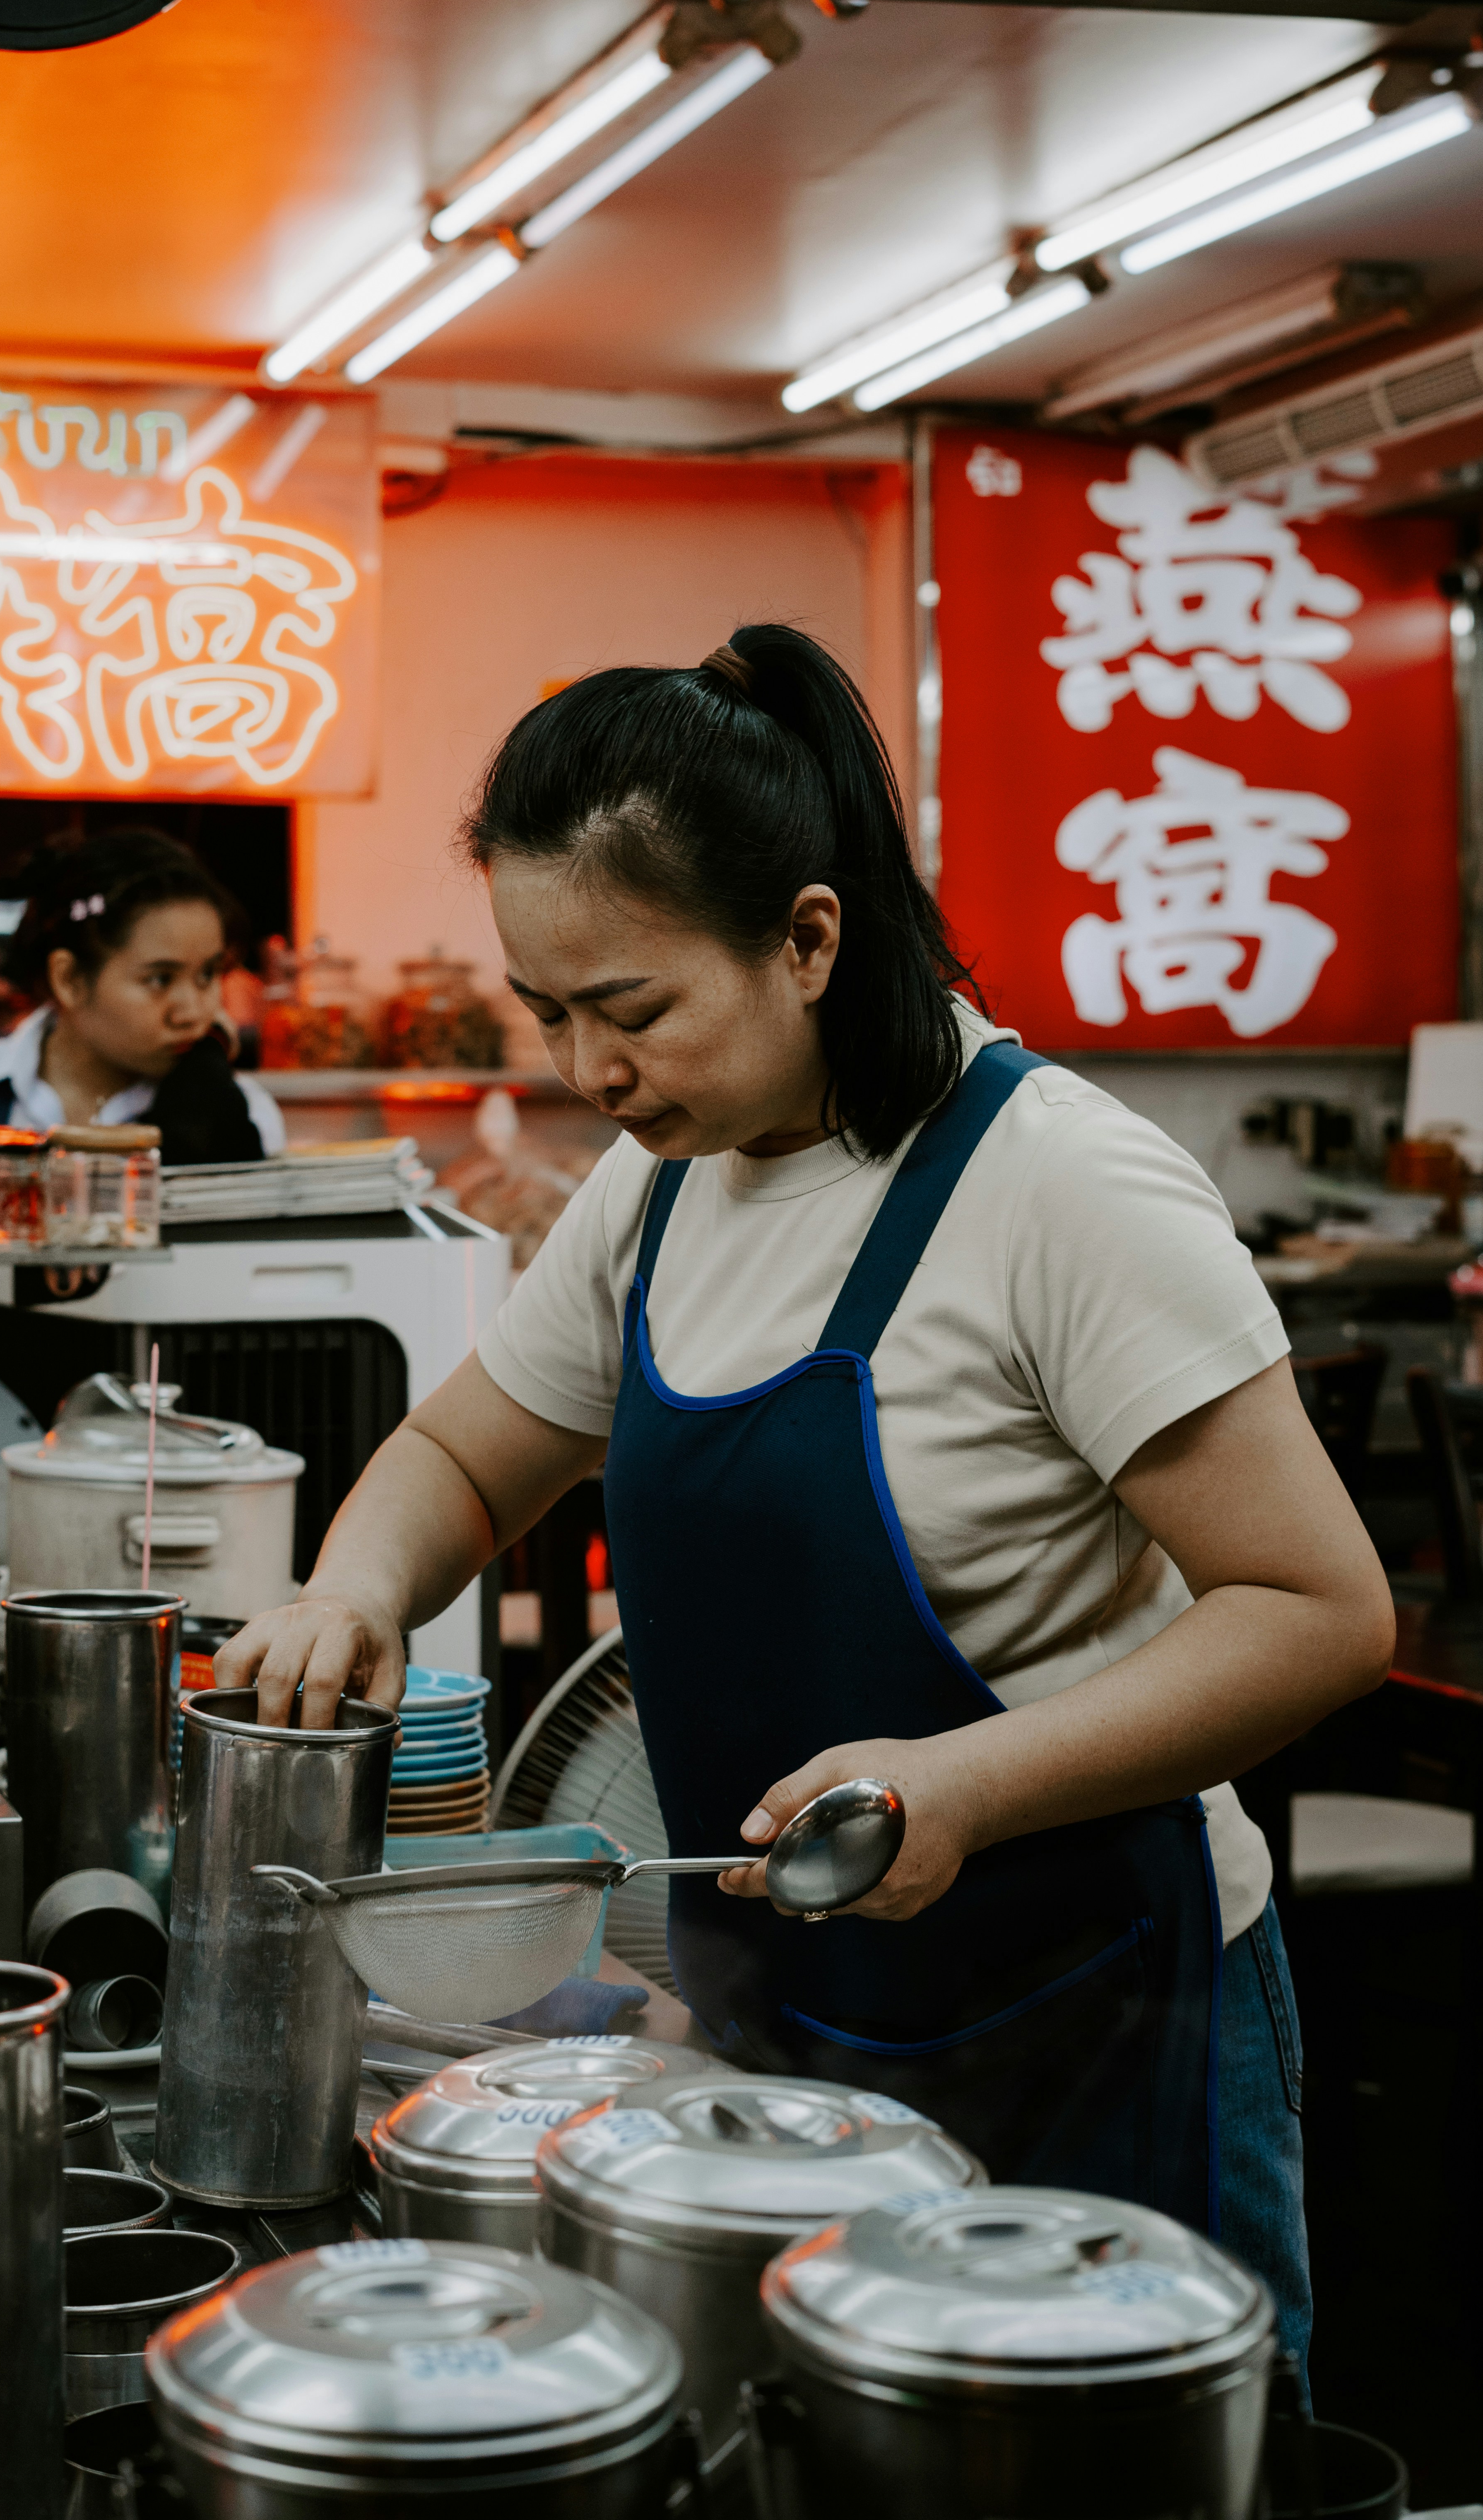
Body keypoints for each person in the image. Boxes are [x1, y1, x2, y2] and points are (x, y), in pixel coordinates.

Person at [219, 623, 1397, 2381]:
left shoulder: (1055, 1184)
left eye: (629, 1010)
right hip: (800, 2027)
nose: (582, 1071)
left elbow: (1318, 1612)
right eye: (546, 1012)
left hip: (1101, 2007)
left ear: (810, 939)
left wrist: (964, 1783)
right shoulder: (659, 1191)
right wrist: (354, 1585)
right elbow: (464, 1456)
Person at [0, 829, 286, 1160]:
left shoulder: (242, 1113)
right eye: (160, 980)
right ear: (69, 980)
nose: (194, 1012)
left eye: (208, 975)